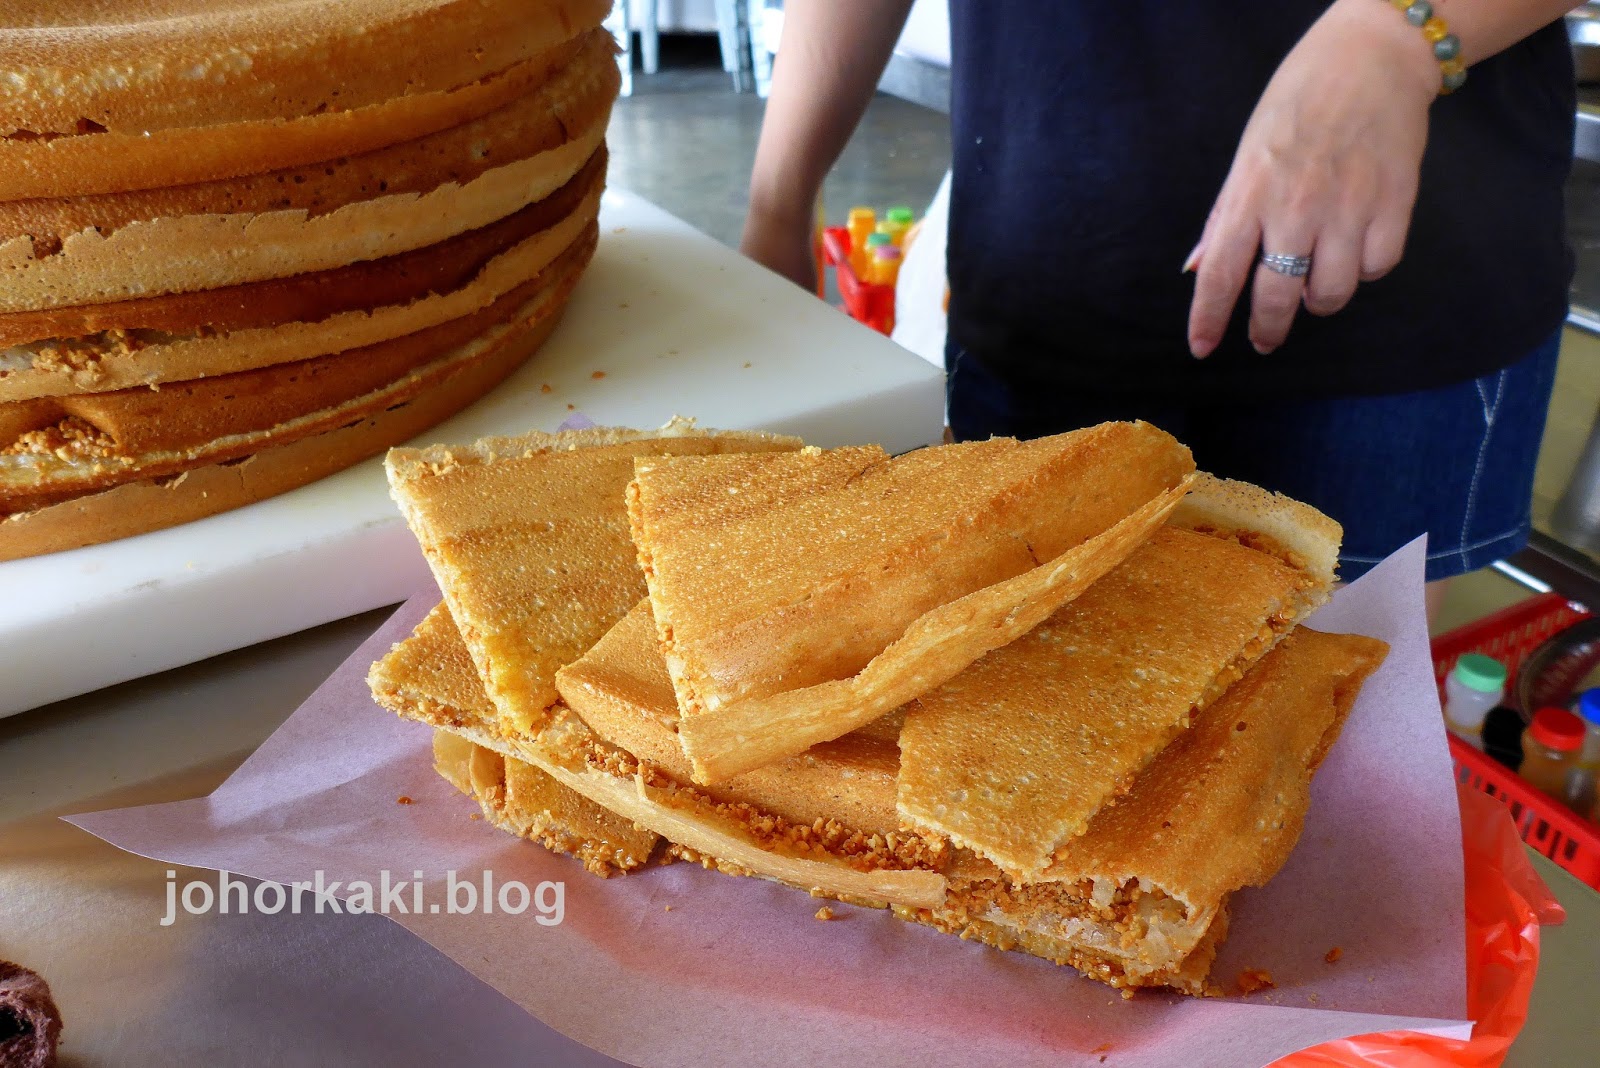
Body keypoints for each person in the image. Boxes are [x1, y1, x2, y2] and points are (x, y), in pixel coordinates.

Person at [740, 0, 1578, 602]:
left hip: (1400, 286)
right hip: (1049, 273)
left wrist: (1400, 34)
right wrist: (779, 205)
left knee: (1334, 752)